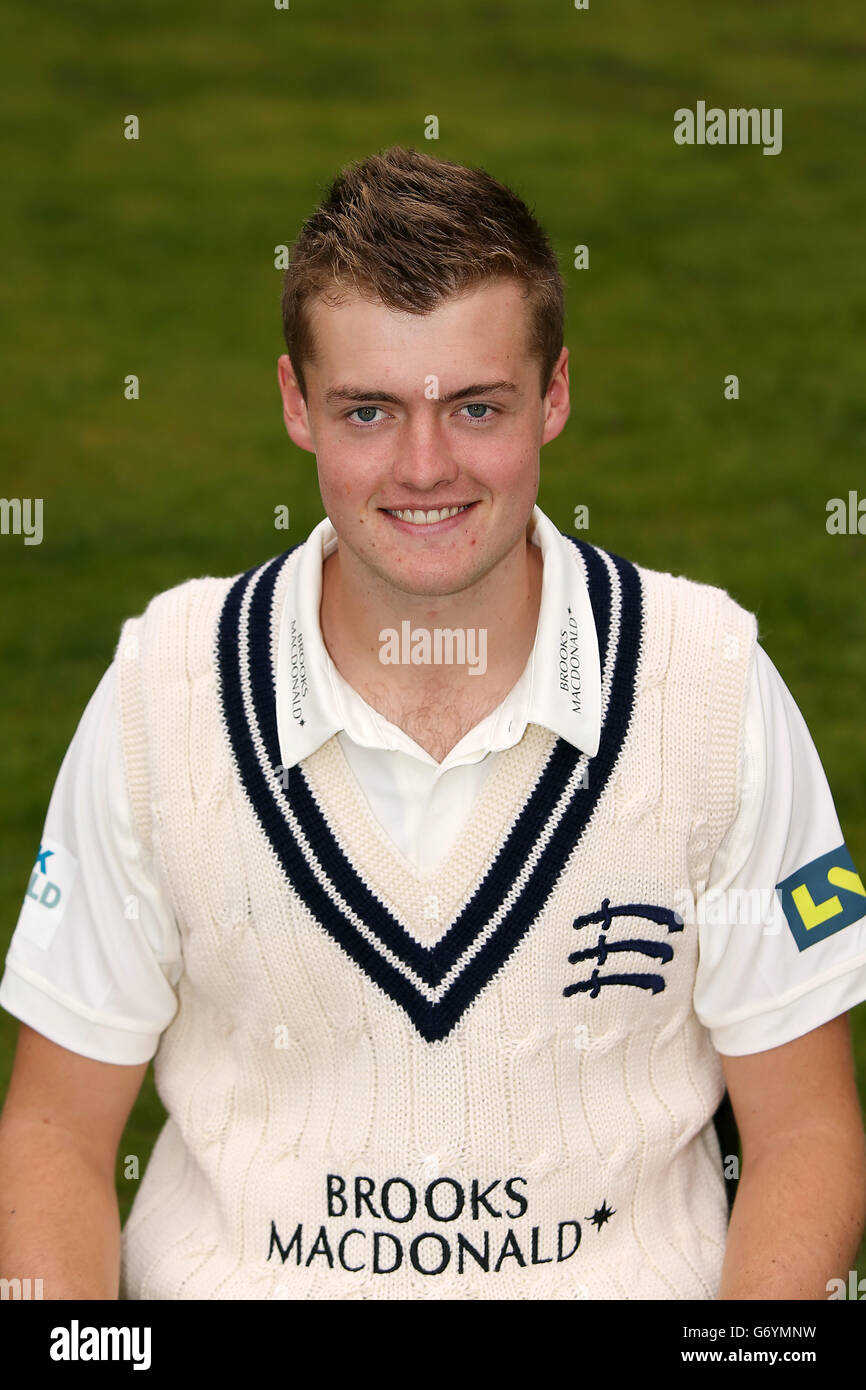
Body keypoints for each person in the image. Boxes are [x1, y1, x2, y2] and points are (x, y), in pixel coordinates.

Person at [1, 145, 865, 1301]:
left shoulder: (706, 680)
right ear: (295, 404)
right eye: (368, 409)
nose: (423, 467)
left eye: (474, 406)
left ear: (552, 395)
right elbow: (57, 1130)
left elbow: (803, 1131)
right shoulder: (167, 686)